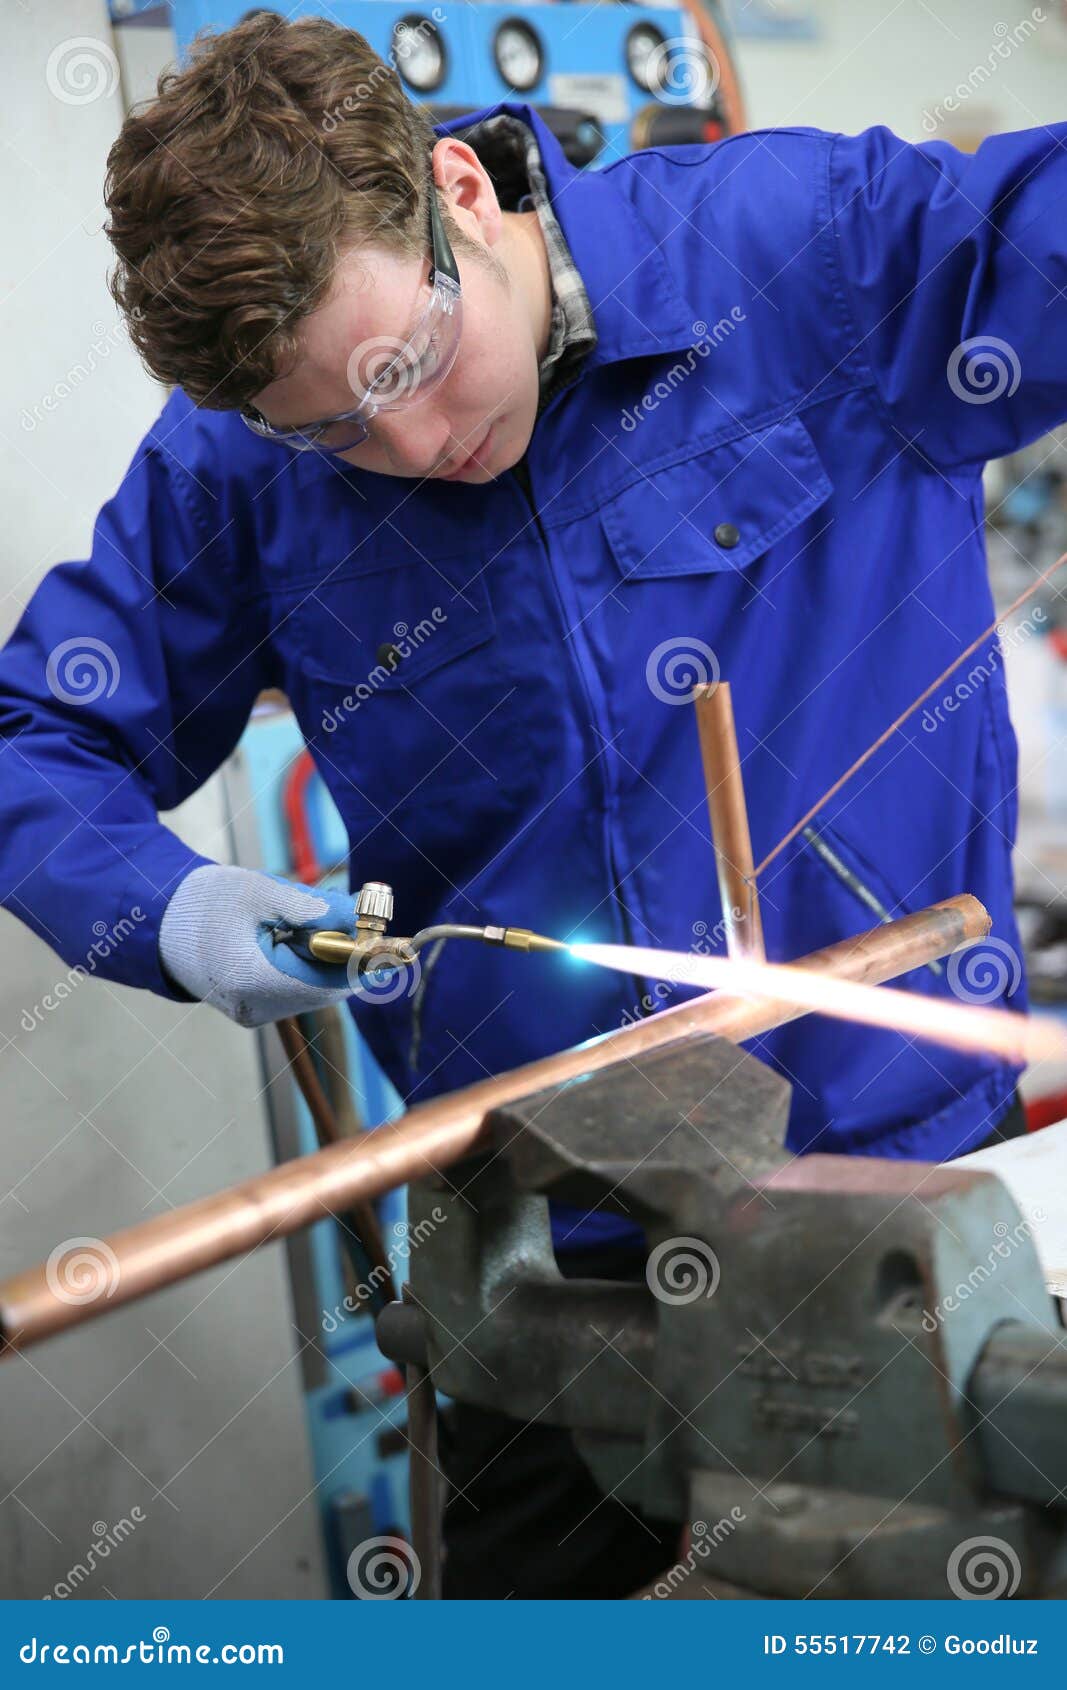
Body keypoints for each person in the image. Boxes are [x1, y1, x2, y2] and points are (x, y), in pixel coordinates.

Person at [0, 11, 1051, 1594]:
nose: (417, 445)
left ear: (460, 195)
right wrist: (176, 912)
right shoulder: (234, 471)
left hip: (893, 1201)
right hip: (540, 1265)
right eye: (336, 428)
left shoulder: (803, 252)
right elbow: (36, 742)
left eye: (412, 366)